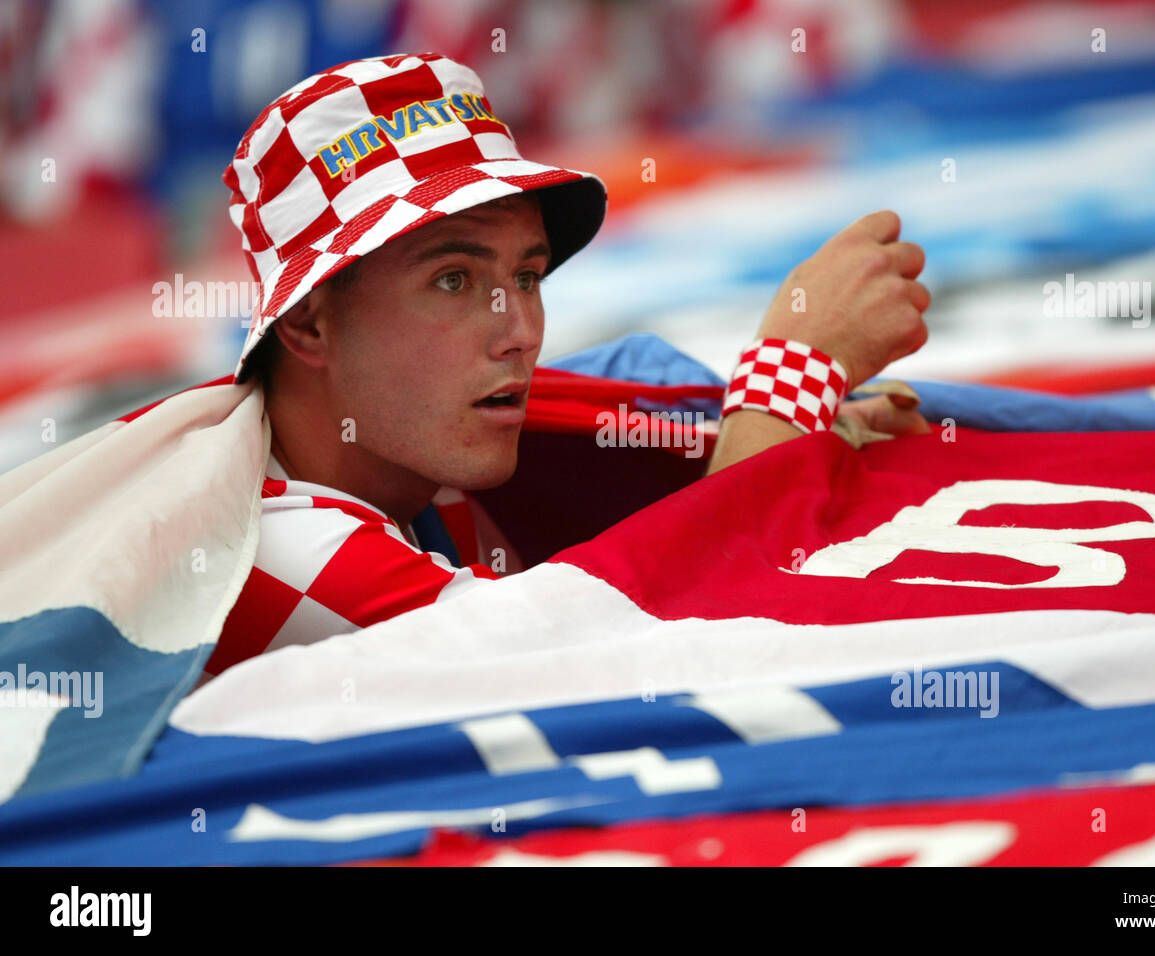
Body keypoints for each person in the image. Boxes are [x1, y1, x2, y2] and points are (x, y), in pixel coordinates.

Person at [206, 52, 930, 678]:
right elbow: (668, 657)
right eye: (453, 280)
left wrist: (775, 434)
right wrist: (789, 380)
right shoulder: (280, 550)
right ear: (307, 322)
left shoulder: (402, 459)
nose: (519, 333)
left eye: (526, 276)